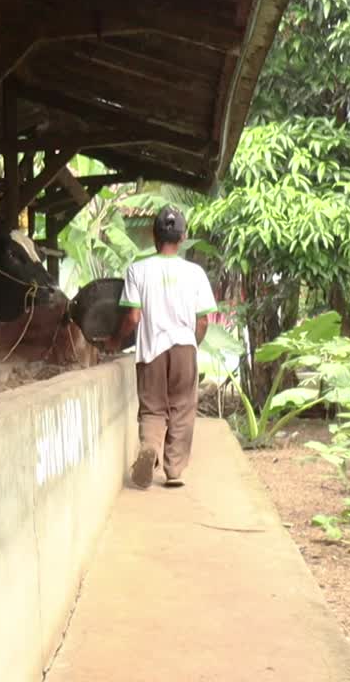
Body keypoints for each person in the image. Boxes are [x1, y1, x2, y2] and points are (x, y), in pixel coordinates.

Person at [106, 205, 217, 489]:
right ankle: (174, 470)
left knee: (153, 408)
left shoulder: (137, 271)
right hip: (185, 347)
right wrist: (193, 344)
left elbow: (132, 317)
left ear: (154, 236)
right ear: (183, 238)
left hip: (151, 350)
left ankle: (150, 447)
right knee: (182, 408)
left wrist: (116, 340)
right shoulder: (195, 273)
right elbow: (202, 321)